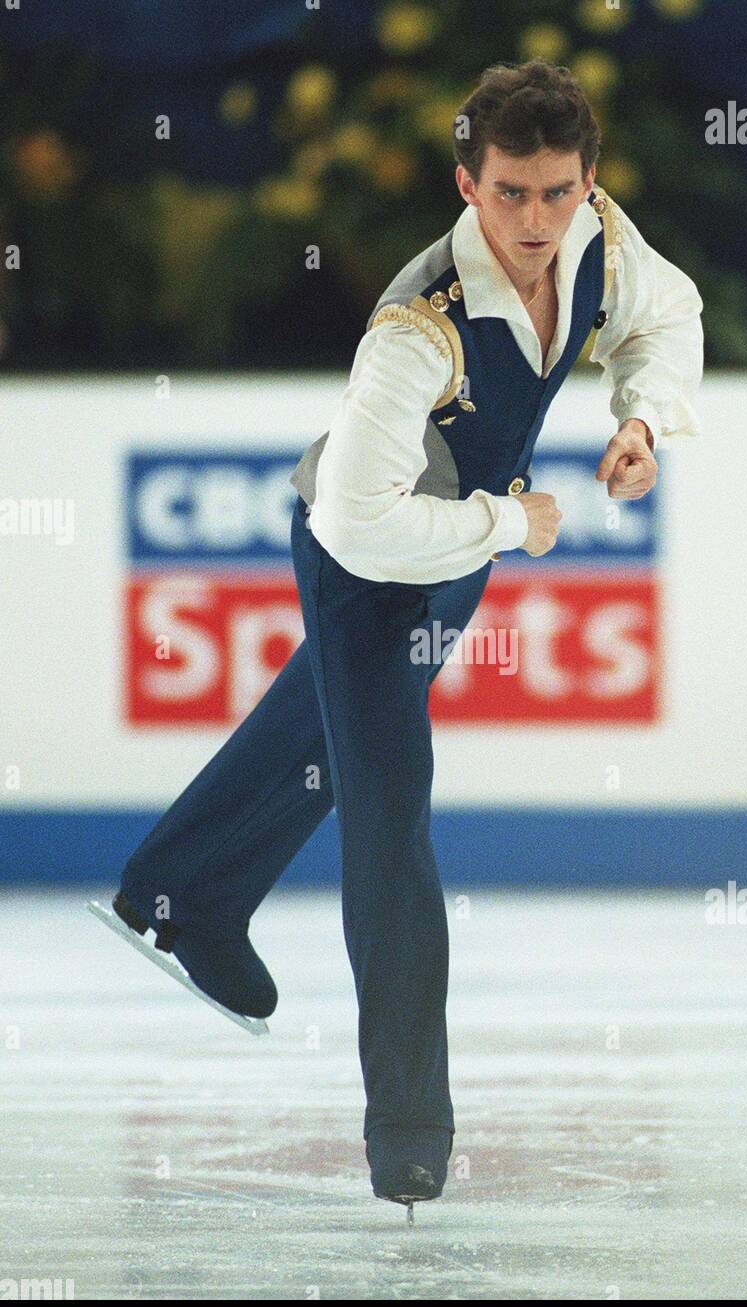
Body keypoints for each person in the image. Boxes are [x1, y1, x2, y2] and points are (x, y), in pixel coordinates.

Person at [112, 59, 703, 1208]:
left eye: (558, 192)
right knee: (388, 806)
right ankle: (409, 1133)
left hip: (457, 551)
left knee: (321, 742)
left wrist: (638, 417)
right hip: (362, 559)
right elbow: (359, 521)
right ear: (465, 184)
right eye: (510, 194)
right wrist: (513, 521)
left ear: (589, 183)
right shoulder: (415, 328)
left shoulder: (599, 237)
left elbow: (663, 313)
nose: (536, 220)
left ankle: (178, 891)